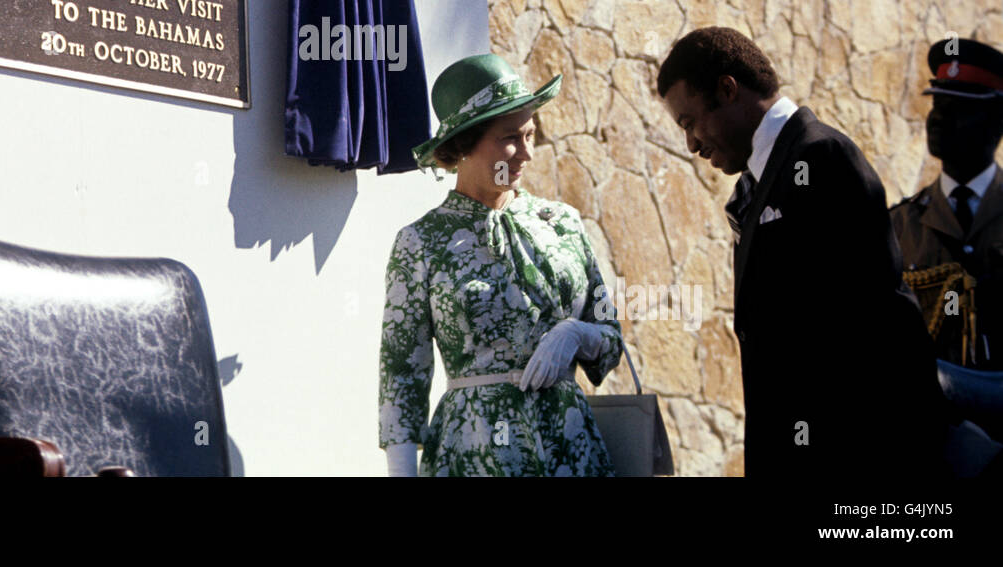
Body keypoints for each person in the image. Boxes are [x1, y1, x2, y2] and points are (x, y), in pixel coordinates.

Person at [656, 27, 948, 477]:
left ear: (727, 89)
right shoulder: (760, 181)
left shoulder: (821, 157)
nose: (692, 144)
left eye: (689, 122)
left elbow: (882, 325)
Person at [378, 53, 623, 476]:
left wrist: (576, 333)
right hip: (475, 453)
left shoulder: (562, 225)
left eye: (531, 134)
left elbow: (610, 342)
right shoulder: (420, 242)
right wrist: (401, 472)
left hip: (568, 449)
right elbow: (402, 372)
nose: (526, 153)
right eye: (511, 137)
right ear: (464, 143)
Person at [891, 38, 1003, 372]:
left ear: (996, 123)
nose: (938, 120)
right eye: (937, 106)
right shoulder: (901, 226)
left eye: (958, 109)